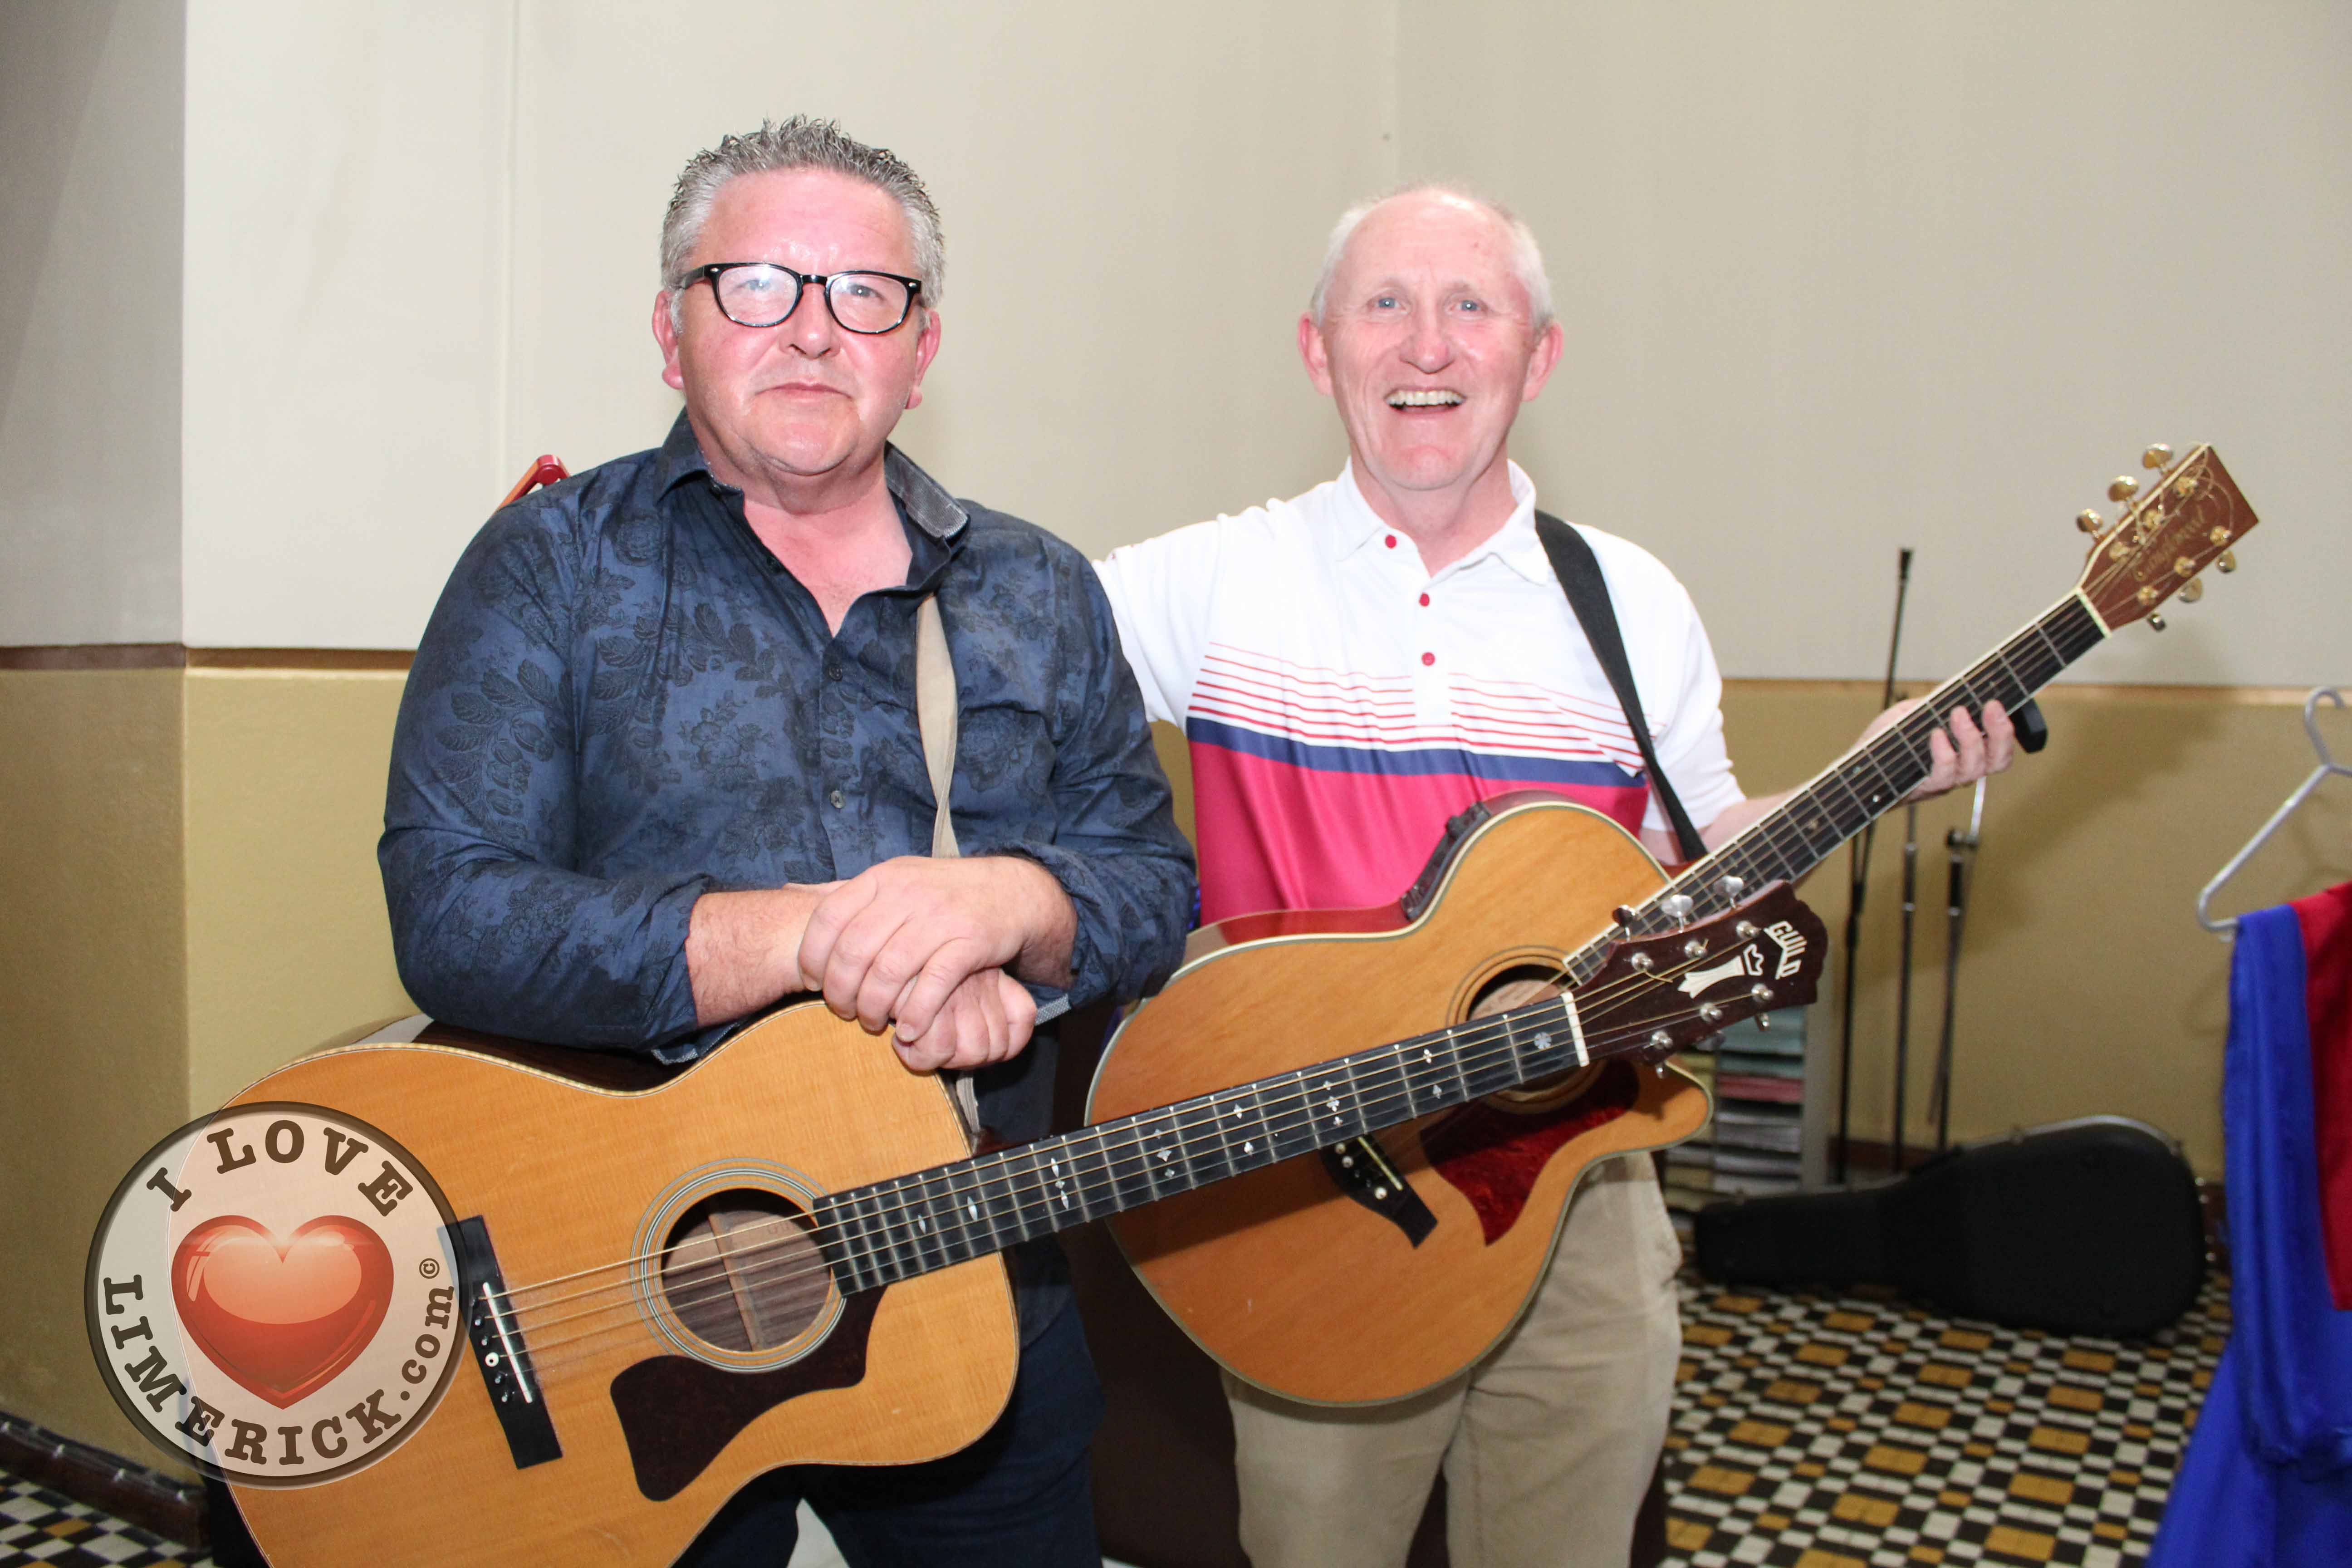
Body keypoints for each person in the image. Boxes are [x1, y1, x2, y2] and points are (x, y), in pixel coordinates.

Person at [1095, 186, 2014, 1568]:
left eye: (1474, 307)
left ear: (1540, 354)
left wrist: (1872, 769)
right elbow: (995, 690)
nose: (1429, 347)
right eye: (1386, 305)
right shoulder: (1213, 584)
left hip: (1583, 1189)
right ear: (1316, 347)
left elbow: (1701, 863)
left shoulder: (1629, 602)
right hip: (1320, 1204)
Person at [380, 118, 1195, 1567]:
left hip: (977, 1287)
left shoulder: (1039, 588)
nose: (813, 332)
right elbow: (453, 911)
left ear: (923, 346)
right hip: (631, 1309)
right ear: (670, 325)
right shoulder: (554, 564)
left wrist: (1020, 909)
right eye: (756, 284)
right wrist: (817, 937)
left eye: (865, 295)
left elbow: (1147, 886)